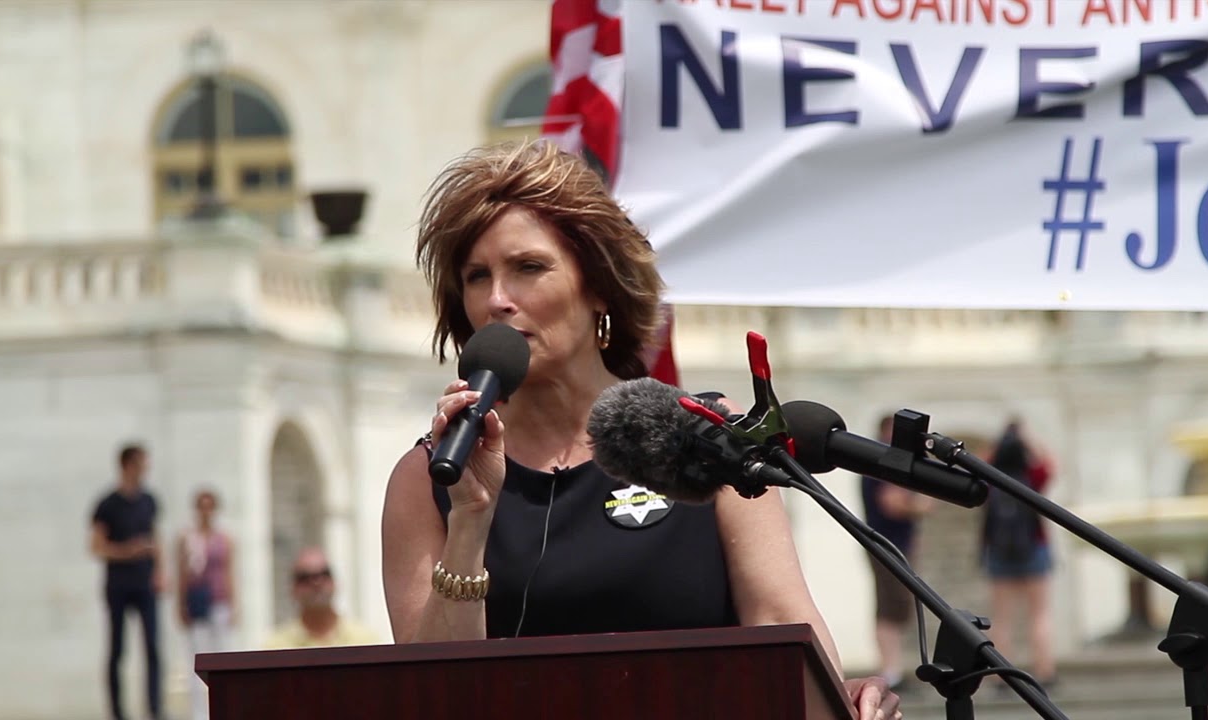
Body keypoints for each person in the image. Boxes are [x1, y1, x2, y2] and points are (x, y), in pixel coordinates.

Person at [380, 141, 900, 720]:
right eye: (477, 276)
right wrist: (470, 521)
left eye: (528, 267)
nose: (498, 299)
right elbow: (431, 695)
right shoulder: (429, 475)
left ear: (597, 285)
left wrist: (841, 704)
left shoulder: (709, 434)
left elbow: (781, 625)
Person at [90, 443, 166, 720]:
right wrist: (127, 551)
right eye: (141, 464)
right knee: (117, 650)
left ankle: (155, 708)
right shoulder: (107, 504)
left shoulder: (149, 501)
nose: (145, 470)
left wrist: (160, 571)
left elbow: (156, 539)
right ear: (127, 465)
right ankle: (117, 711)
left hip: (145, 583)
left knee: (153, 647)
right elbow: (96, 546)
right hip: (119, 585)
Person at [980, 418, 1057, 688]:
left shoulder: (991, 479)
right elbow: (1050, 465)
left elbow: (977, 466)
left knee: (1002, 617)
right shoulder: (1032, 477)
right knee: (1039, 613)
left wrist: (998, 443)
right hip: (1033, 547)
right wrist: (1028, 439)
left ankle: (1002, 676)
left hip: (999, 551)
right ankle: (1045, 670)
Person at [860, 415, 933, 692]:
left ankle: (892, 669)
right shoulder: (881, 462)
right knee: (891, 607)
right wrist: (920, 506)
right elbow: (891, 503)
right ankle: (890, 671)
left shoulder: (880, 461)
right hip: (887, 545)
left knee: (894, 608)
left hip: (892, 544)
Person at [176, 489, 235, 720]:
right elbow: (182, 571)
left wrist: (234, 602)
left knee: (222, 654)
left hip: (219, 599)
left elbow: (229, 570)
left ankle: (222, 707)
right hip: (198, 601)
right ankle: (199, 714)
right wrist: (181, 604)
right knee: (196, 655)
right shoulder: (188, 538)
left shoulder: (224, 539)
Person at [264, 547, 381, 649]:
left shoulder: (365, 642)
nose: (316, 583)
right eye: (305, 577)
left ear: (335, 582)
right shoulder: (275, 648)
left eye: (324, 574)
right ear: (293, 588)